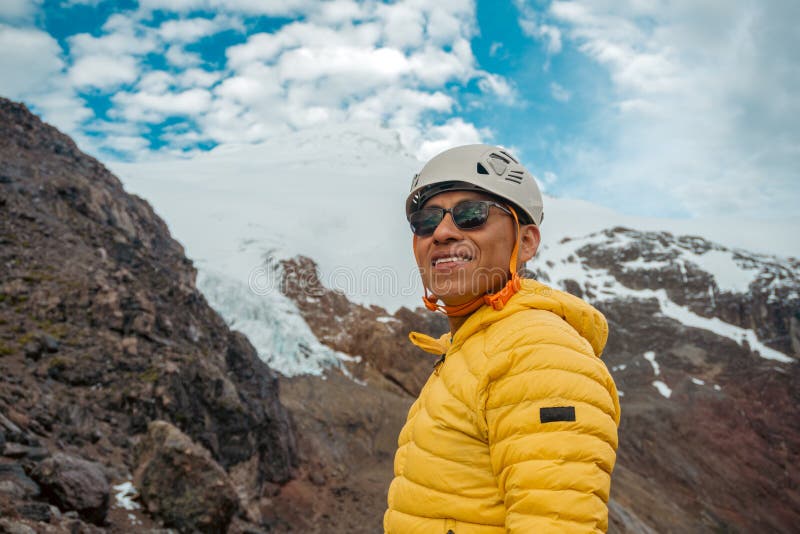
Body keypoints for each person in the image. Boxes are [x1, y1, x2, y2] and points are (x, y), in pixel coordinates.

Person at [384, 144, 621, 533]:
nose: (442, 232)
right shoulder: (475, 350)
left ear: (526, 242)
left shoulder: (538, 354)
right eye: (426, 221)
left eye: (471, 214)